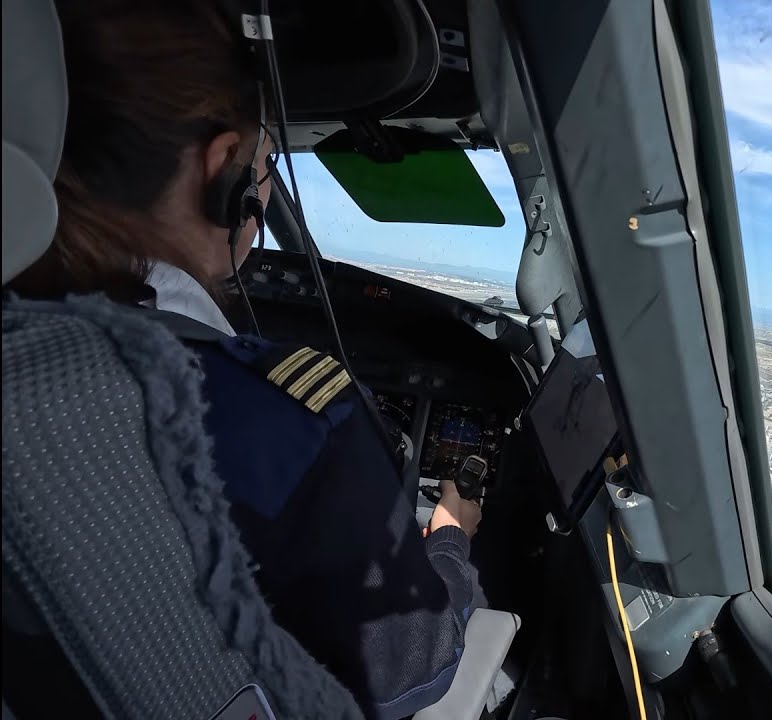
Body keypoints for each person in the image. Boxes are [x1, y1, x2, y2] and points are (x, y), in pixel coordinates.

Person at [6, 1, 481, 717]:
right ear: (224, 171)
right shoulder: (292, 421)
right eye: (263, 170)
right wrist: (449, 546)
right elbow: (414, 670)